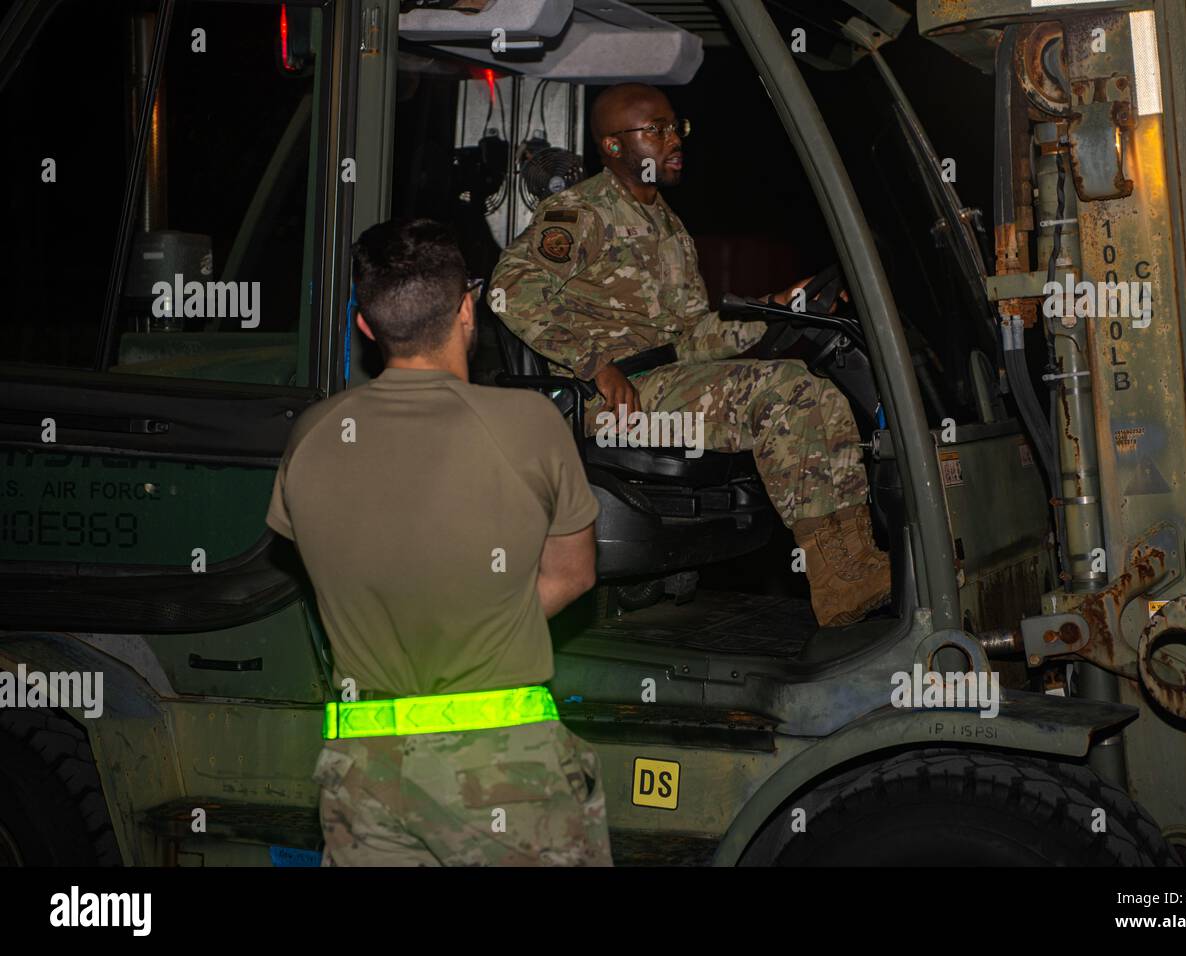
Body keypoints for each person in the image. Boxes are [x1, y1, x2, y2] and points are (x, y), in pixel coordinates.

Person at [266, 218, 611, 866]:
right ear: (466, 309)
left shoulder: (314, 434)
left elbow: (322, 567)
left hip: (363, 773)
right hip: (502, 769)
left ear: (366, 327)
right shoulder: (529, 426)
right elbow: (573, 575)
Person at [490, 83, 890, 627]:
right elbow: (509, 289)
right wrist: (593, 364)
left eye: (676, 126)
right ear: (612, 145)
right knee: (786, 391)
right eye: (654, 129)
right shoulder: (582, 212)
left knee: (801, 378)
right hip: (610, 403)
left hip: (667, 380)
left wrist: (774, 309)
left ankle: (855, 561)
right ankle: (844, 577)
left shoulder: (668, 225)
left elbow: (691, 336)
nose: (673, 138)